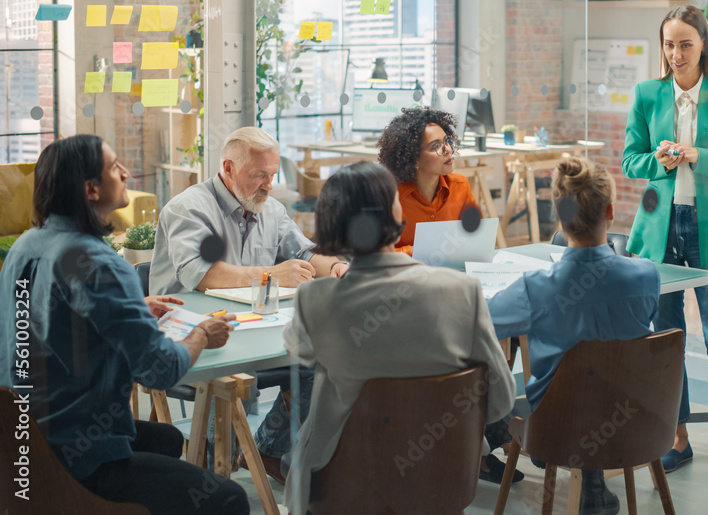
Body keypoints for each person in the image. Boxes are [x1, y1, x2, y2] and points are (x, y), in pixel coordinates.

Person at [0, 135, 247, 514]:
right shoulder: (100, 263)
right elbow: (160, 371)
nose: (127, 172)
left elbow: (42, 315)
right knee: (229, 498)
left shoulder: (26, 246)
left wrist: (130, 307)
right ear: (90, 188)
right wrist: (201, 335)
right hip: (77, 456)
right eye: (115, 166)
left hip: (23, 443)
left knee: (165, 439)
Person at [282, 161, 515, 515]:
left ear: (329, 223)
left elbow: (298, 349)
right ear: (395, 210)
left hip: (346, 485)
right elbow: (500, 401)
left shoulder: (315, 301)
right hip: (444, 475)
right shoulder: (462, 291)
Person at [150, 126, 344, 483]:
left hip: (254, 326)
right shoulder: (188, 208)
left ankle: (269, 449)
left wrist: (334, 266)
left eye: (273, 175)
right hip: (189, 335)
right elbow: (200, 271)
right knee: (237, 375)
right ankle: (210, 474)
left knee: (324, 361)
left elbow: (303, 253)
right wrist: (272, 273)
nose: (269, 185)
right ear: (228, 168)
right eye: (260, 176)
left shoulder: (270, 209)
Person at [621, 4, 708, 486]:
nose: (675, 54)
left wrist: (701, 156)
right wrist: (657, 161)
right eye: (668, 44)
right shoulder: (646, 94)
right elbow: (629, 161)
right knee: (666, 342)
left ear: (703, 45)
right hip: (658, 234)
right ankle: (677, 440)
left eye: (685, 44)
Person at [488, 156, 660, 515]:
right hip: (634, 421)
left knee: (485, 378)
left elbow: (481, 324)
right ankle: (593, 484)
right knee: (599, 383)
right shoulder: (646, 276)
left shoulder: (536, 288)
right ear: (610, 210)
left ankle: (494, 441)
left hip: (555, 429)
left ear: (559, 217)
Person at [376, 107, 478, 255]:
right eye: (435, 146)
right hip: (403, 275)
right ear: (414, 158)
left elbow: (473, 237)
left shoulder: (460, 186)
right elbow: (376, 256)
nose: (448, 150)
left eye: (446, 141)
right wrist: (416, 251)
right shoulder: (389, 197)